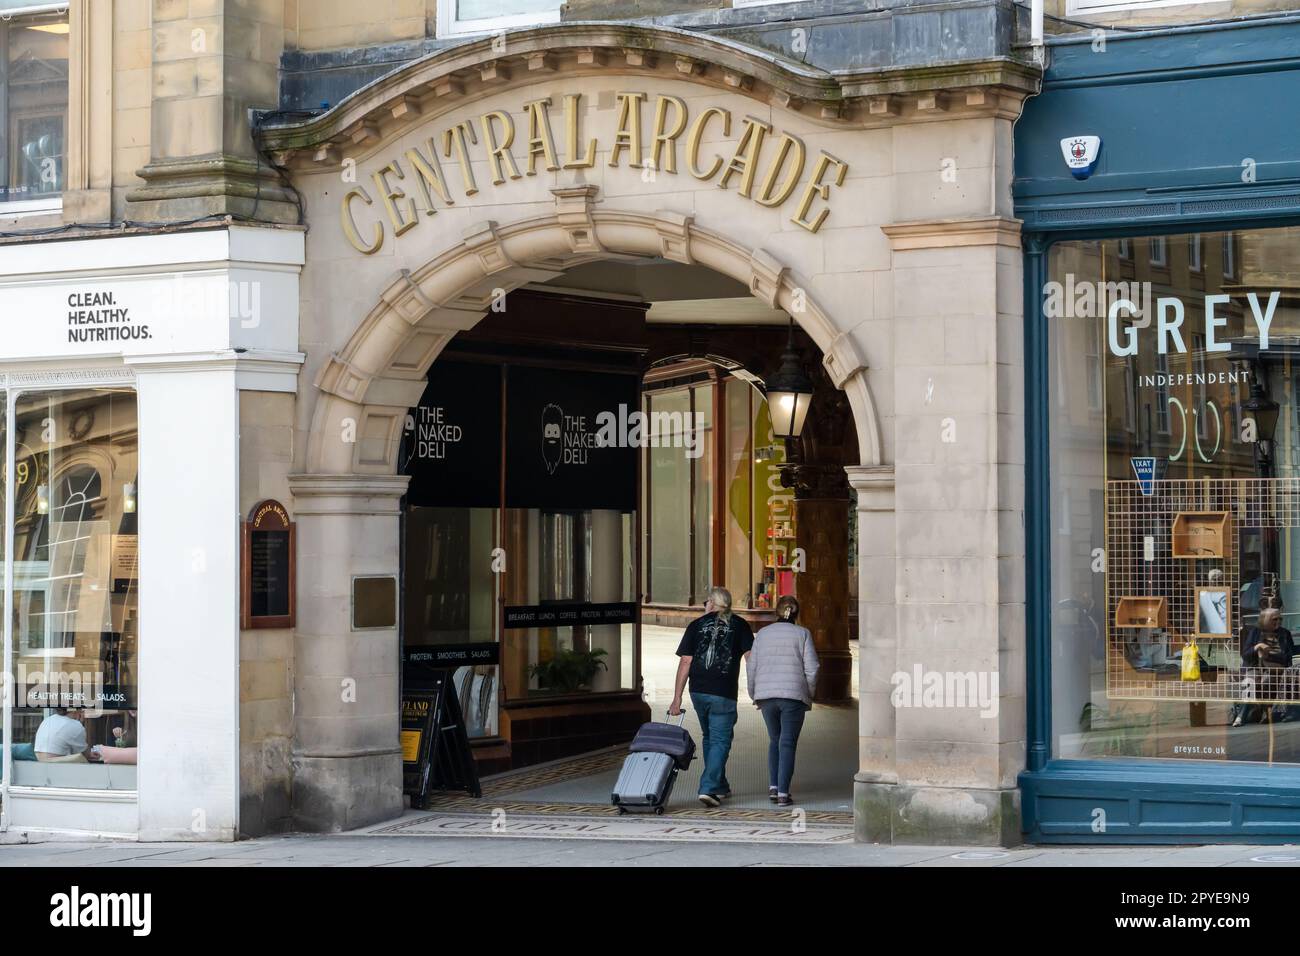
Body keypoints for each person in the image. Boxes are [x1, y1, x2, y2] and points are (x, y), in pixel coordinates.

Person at [668, 586, 754, 807]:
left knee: (710, 737)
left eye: (706, 601)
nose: (705, 605)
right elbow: (750, 658)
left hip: (698, 691)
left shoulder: (696, 625)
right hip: (723, 693)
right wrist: (757, 688)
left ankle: (720, 784)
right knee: (719, 739)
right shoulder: (740, 625)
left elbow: (686, 661)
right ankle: (708, 787)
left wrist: (677, 698)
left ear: (712, 604)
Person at [748, 595, 819, 807]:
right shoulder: (803, 634)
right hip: (793, 696)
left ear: (776, 612)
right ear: (797, 614)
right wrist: (808, 693)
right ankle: (783, 793)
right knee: (787, 742)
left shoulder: (763, 634)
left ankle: (773, 786)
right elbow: (813, 668)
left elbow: (752, 666)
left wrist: (754, 694)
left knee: (774, 740)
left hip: (767, 695)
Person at [1234, 606, 1295, 727]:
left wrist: (1268, 655)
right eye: (1274, 619)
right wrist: (1257, 647)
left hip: (1276, 667)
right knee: (1250, 681)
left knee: (1267, 680)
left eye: (1280, 619)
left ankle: (1266, 712)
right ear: (1265, 619)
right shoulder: (1255, 632)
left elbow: (1288, 657)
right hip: (1255, 666)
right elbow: (1245, 655)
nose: (1278, 622)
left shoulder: (1285, 633)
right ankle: (1242, 715)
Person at [33, 709, 100, 762]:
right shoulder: (75, 725)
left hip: (40, 765)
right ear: (75, 710)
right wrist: (80, 724)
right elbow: (85, 754)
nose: (84, 712)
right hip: (60, 767)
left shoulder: (48, 720)